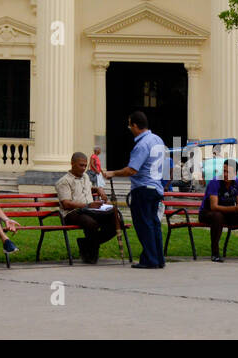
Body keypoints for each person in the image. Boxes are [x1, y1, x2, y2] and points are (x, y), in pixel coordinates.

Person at [103, 111, 167, 269]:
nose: (129, 128)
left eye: (130, 125)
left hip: (143, 188)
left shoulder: (142, 144)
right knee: (154, 224)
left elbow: (132, 170)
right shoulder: (157, 139)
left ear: (136, 126)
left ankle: (150, 259)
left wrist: (113, 172)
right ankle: (158, 258)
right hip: (156, 187)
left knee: (144, 225)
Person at [55, 152, 124, 264]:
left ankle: (86, 243)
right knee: (91, 223)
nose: (83, 168)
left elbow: (89, 188)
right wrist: (87, 205)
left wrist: (98, 189)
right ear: (72, 164)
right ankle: (91, 252)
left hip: (91, 211)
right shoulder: (64, 181)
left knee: (117, 219)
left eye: (85, 165)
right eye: (80, 165)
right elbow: (66, 204)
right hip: (72, 213)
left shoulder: (86, 177)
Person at [198, 159, 238, 263]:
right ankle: (215, 253)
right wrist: (235, 208)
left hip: (226, 214)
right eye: (224, 171)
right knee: (217, 216)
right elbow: (214, 207)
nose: (225, 174)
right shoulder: (215, 182)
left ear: (235, 173)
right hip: (207, 213)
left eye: (228, 172)